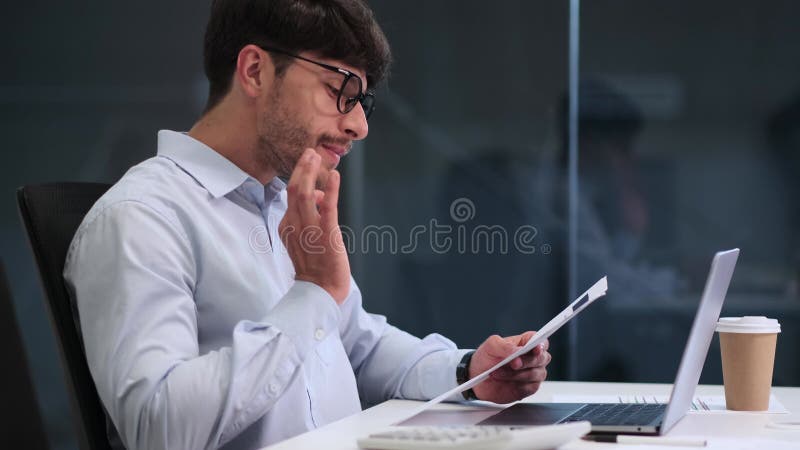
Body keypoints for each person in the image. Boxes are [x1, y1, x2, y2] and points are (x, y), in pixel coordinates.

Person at [63, 1, 551, 449]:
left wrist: (467, 371)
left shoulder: (281, 202)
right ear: (255, 71)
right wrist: (311, 293)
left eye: (363, 100)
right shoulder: (142, 217)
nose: (360, 124)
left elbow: (358, 344)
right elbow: (157, 427)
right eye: (340, 89)